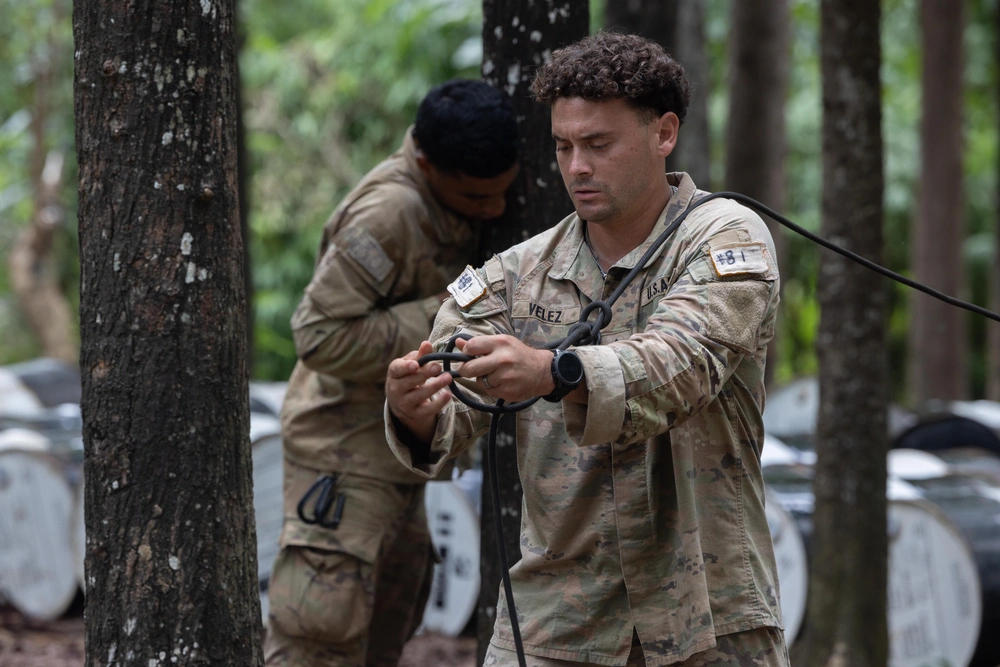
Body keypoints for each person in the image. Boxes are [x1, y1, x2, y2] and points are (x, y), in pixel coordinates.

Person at [385, 32, 788, 667]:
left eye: (599, 144)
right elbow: (448, 411)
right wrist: (415, 407)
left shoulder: (726, 238)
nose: (576, 167)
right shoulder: (513, 276)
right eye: (564, 146)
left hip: (708, 621)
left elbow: (681, 364)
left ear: (664, 134)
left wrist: (554, 371)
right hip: (556, 627)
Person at [264, 79, 519, 667]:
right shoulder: (390, 213)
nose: (495, 210)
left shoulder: (454, 189)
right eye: (477, 196)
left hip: (399, 450)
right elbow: (318, 334)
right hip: (343, 451)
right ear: (427, 165)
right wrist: (446, 313)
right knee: (320, 633)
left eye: (501, 193)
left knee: (390, 622)